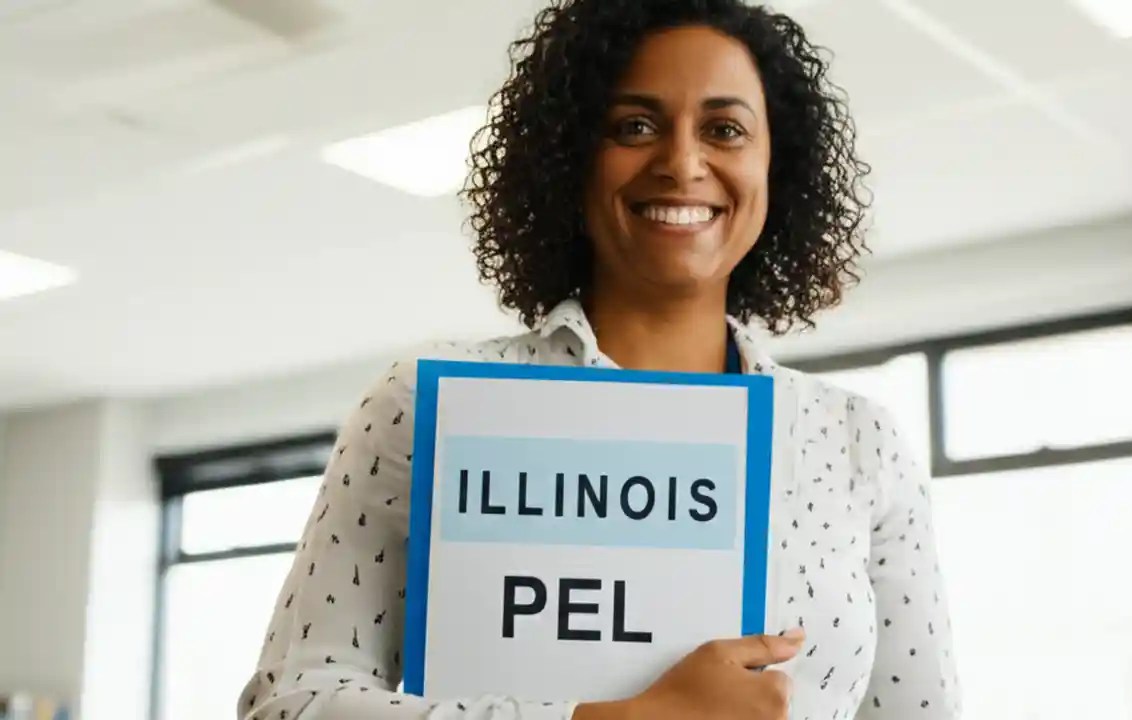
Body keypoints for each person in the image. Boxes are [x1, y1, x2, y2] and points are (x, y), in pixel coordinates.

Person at [238, 0, 960, 718]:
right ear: (571, 157)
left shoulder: (858, 444)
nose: (682, 162)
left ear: (779, 166)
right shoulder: (431, 404)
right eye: (634, 126)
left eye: (725, 129)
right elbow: (288, 704)